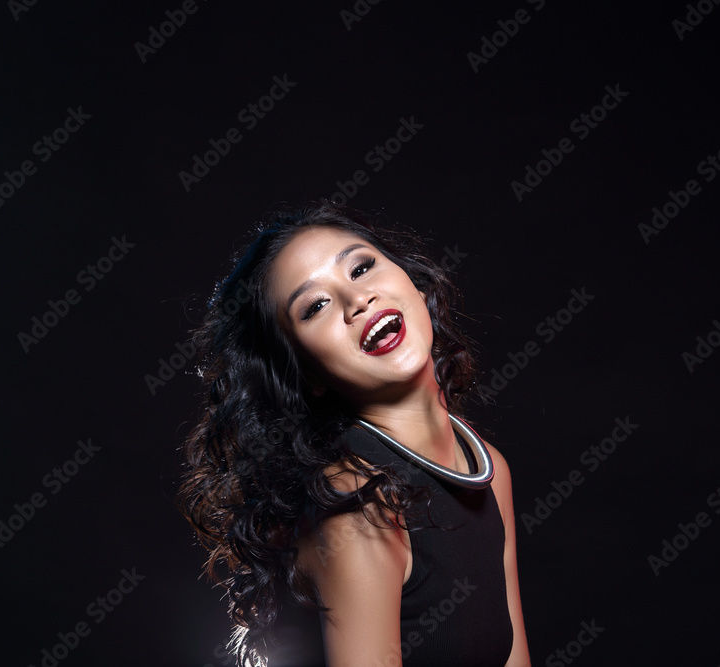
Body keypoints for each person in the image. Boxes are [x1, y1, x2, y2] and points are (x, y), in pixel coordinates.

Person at [178, 201, 530, 666]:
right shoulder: (358, 508)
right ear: (307, 373)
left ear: (411, 280)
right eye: (315, 306)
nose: (357, 300)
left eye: (361, 267)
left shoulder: (487, 466)